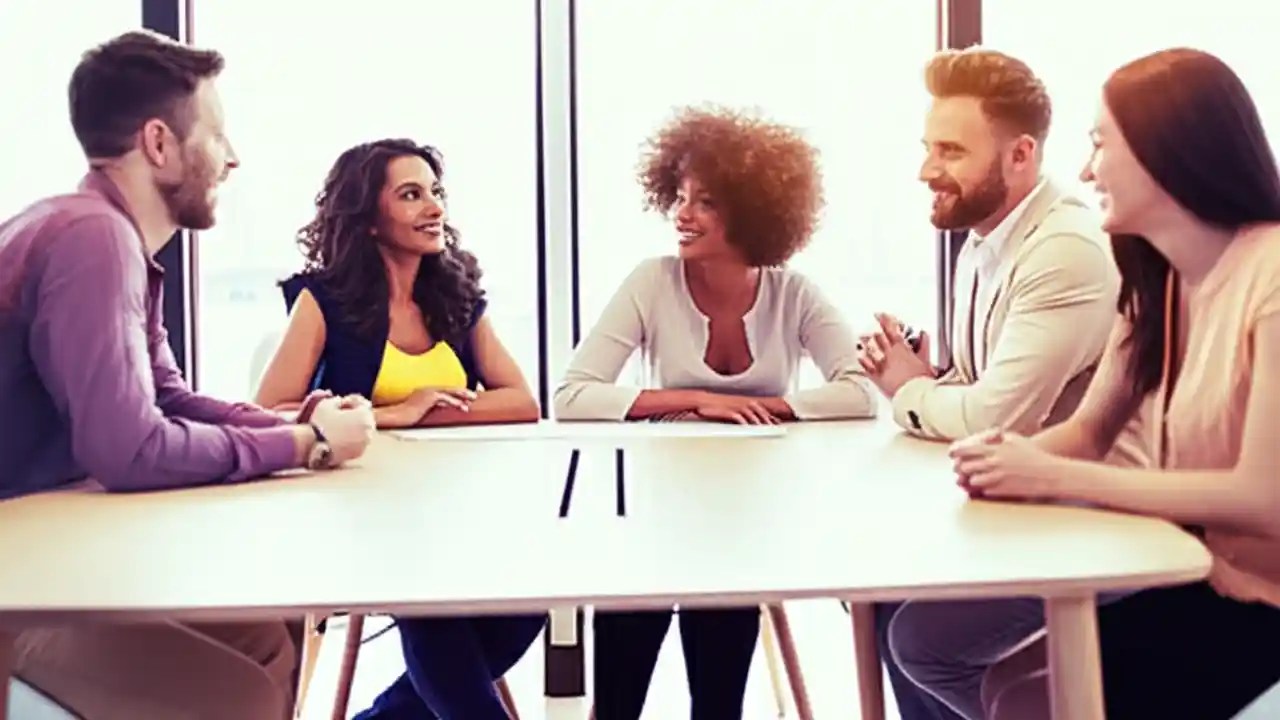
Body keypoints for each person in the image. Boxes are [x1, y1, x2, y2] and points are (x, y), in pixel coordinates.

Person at [0, 30, 375, 719]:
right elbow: (129, 449)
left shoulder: (104, 235)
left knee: (270, 629)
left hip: (42, 549)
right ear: (159, 143)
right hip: (18, 582)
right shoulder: (93, 240)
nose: (232, 158)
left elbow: (167, 395)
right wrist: (304, 447)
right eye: (217, 135)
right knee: (244, 693)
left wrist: (291, 423)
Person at [945, 47, 1280, 719]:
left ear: (1168, 147)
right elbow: (1089, 431)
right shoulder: (1152, 280)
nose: (1085, 169)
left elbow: (1264, 497)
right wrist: (1004, 460)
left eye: (1100, 144)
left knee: (1033, 700)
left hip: (1263, 606)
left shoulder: (1270, 277)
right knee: (1006, 691)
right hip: (1194, 575)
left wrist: (1052, 480)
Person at [856, 46, 1151, 720]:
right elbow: (974, 382)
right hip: (1017, 498)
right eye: (929, 147)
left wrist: (908, 391)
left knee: (921, 637)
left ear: (1021, 155)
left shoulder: (1065, 248)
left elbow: (999, 415)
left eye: (951, 151)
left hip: (1097, 512)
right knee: (879, 594)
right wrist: (930, 376)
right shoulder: (982, 240)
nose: (927, 169)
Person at [554, 105, 874, 719]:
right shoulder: (652, 281)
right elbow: (573, 395)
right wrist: (701, 401)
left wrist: (769, 407)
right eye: (679, 196)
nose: (682, 214)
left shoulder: (794, 292)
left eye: (706, 202)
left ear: (753, 211)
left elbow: (860, 392)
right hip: (650, 515)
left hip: (746, 520)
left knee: (719, 696)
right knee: (617, 695)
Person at [253, 138, 544, 720]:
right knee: (430, 588)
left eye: (435, 192)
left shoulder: (456, 296)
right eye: (411, 195)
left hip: (455, 508)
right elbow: (269, 412)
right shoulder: (323, 301)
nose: (433, 207)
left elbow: (521, 401)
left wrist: (426, 411)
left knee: (528, 600)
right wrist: (395, 413)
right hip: (363, 516)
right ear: (368, 219)